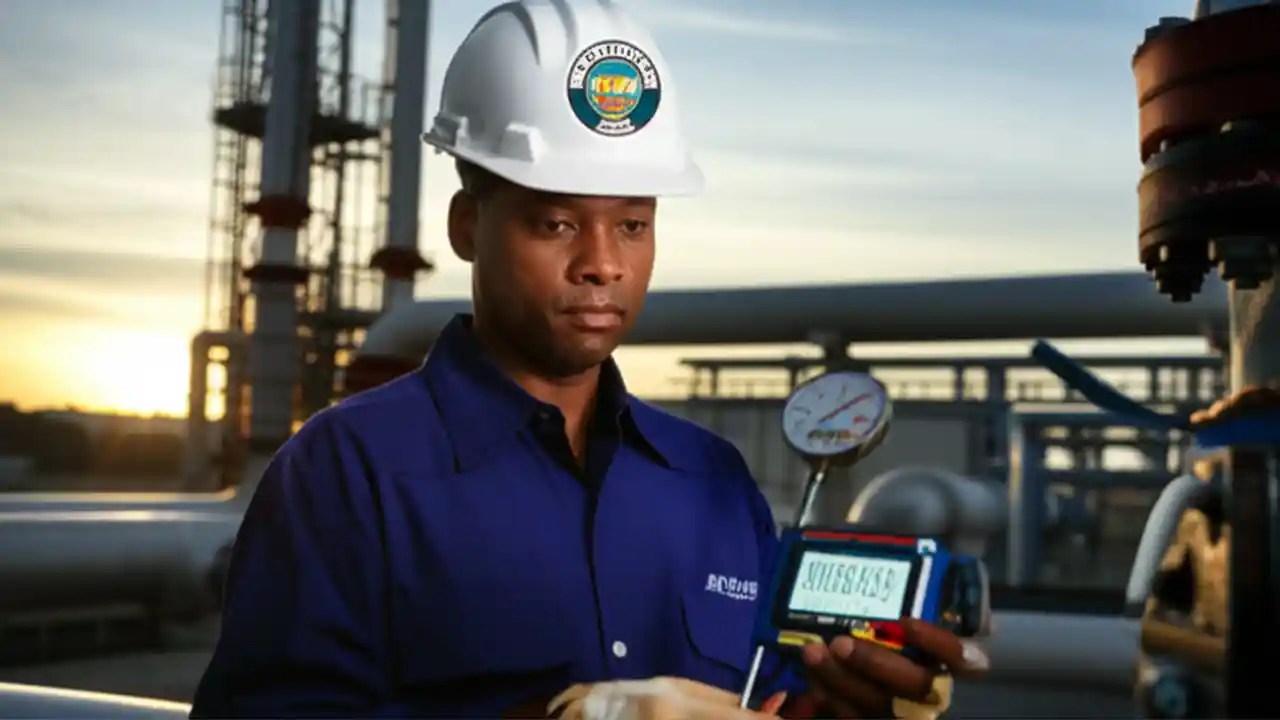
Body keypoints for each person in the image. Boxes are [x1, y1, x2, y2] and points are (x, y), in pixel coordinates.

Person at [189, 1, 989, 717]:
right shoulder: (346, 473)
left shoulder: (713, 481)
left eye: (632, 226)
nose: (603, 264)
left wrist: (853, 703)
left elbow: (773, 697)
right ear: (467, 225)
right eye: (557, 224)